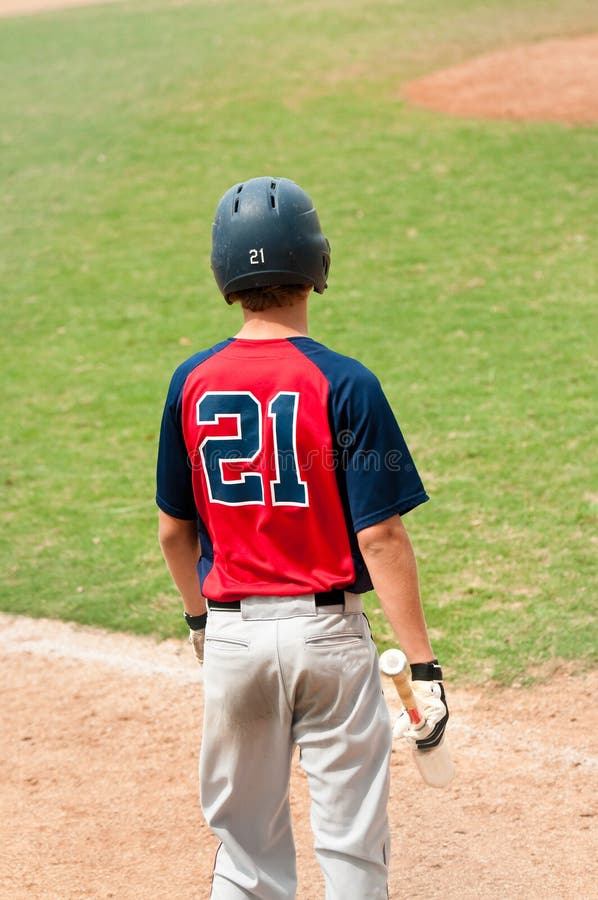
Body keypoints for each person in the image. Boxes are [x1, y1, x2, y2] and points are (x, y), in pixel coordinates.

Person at [156, 176, 449, 899]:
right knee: (350, 851)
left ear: (226, 273)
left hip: (232, 643)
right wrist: (425, 668)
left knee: (247, 859)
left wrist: (201, 622)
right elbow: (380, 535)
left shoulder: (190, 382)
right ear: (316, 265)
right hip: (328, 643)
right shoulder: (347, 383)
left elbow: (173, 531)